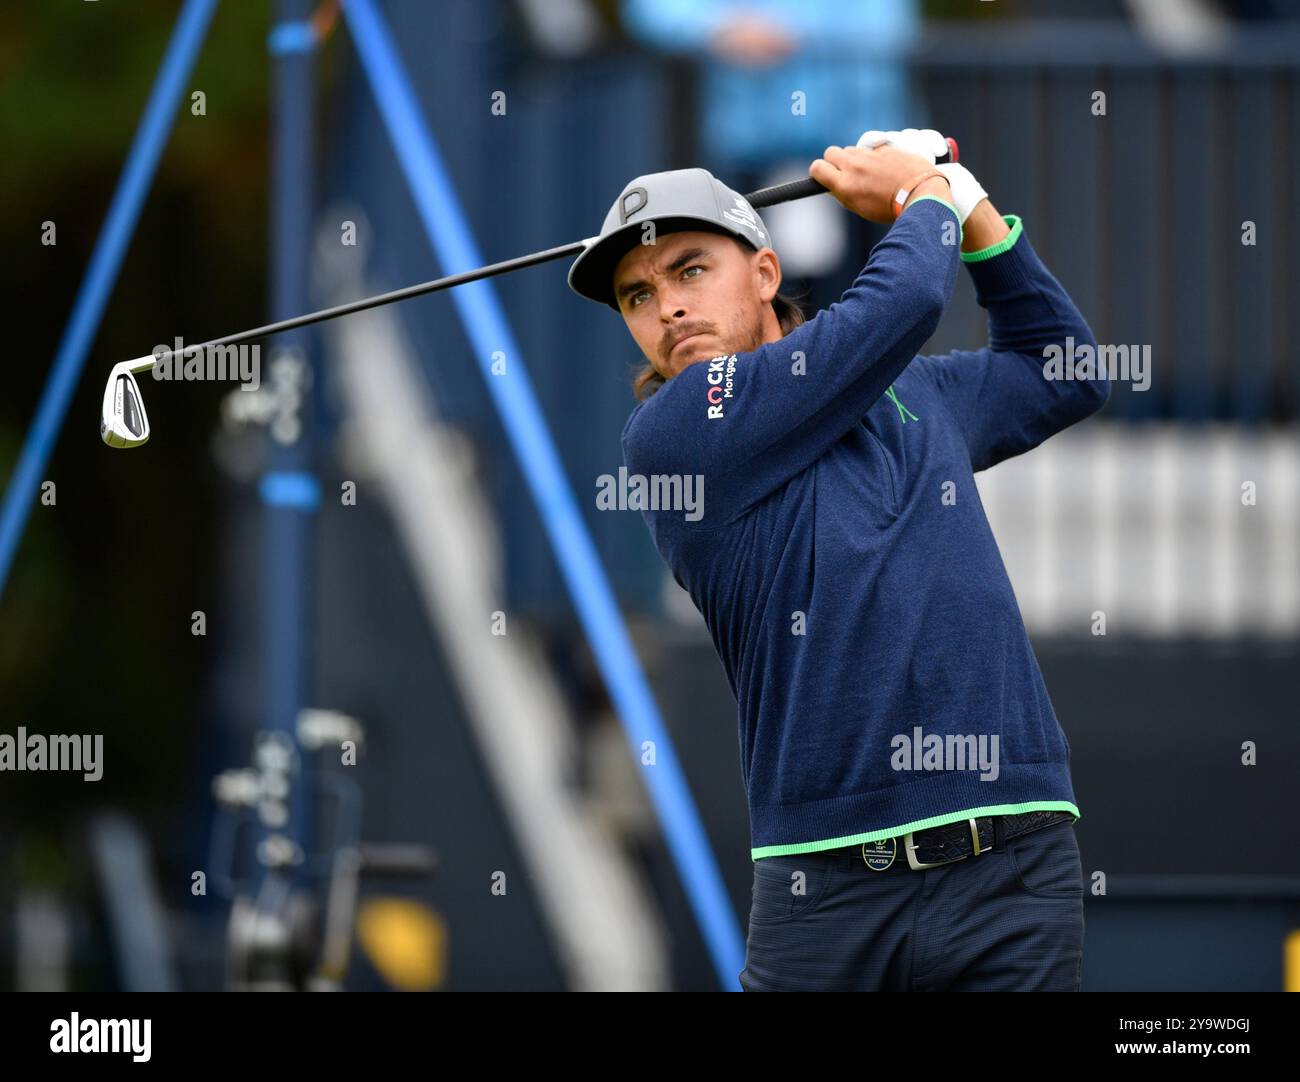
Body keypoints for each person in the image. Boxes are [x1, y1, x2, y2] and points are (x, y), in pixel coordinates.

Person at [567, 130, 1108, 992]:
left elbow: (1065, 370)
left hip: (1011, 865)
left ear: (767, 274)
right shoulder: (671, 435)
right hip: (825, 892)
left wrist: (971, 210)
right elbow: (896, 310)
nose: (666, 307)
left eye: (691, 269)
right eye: (638, 294)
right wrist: (922, 193)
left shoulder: (915, 393)